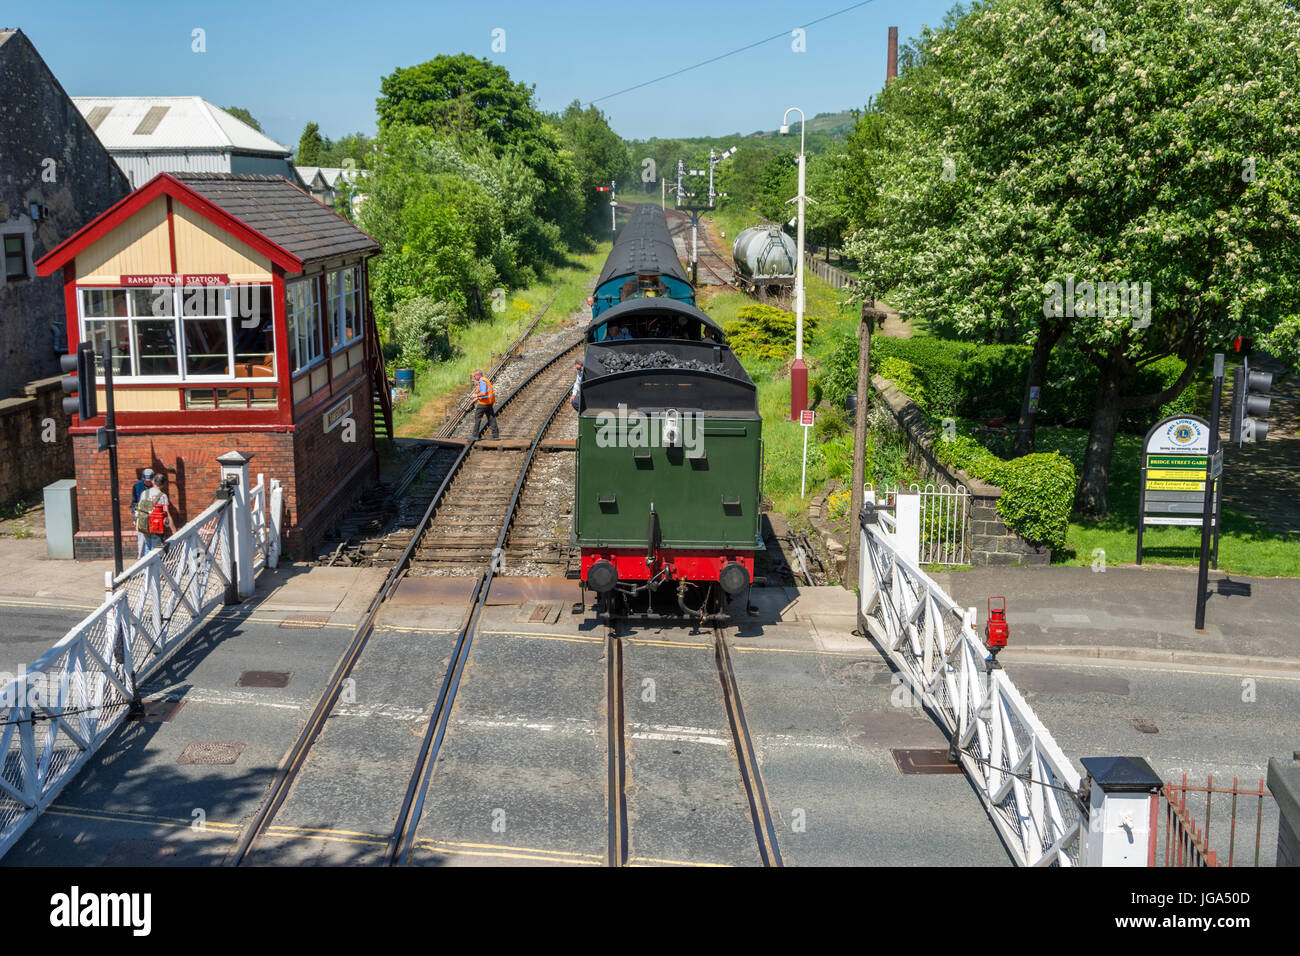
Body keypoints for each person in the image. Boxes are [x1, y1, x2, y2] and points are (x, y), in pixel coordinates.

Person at [134, 473, 176, 556]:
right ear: (163, 484)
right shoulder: (163, 496)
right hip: (156, 525)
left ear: (153, 481)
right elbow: (166, 513)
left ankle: (146, 567)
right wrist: (173, 529)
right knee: (155, 549)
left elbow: (140, 508)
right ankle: (153, 567)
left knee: (147, 547)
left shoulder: (144, 493)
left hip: (143, 524)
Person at [132, 469, 154, 558]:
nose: (147, 482)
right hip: (141, 516)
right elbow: (133, 502)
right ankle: (140, 560)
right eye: (146, 481)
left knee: (153, 540)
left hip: (153, 516)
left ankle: (153, 559)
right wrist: (134, 516)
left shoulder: (155, 487)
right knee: (141, 541)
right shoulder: (137, 486)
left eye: (149, 481)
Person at [471, 370, 499, 439]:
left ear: (478, 375)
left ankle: (475, 435)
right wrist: (476, 398)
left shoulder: (482, 382)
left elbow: (483, 393)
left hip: (484, 403)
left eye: (474, 376)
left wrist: (475, 395)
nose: (474, 377)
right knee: (491, 418)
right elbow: (486, 394)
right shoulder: (485, 380)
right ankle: (495, 435)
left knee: (477, 418)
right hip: (489, 402)